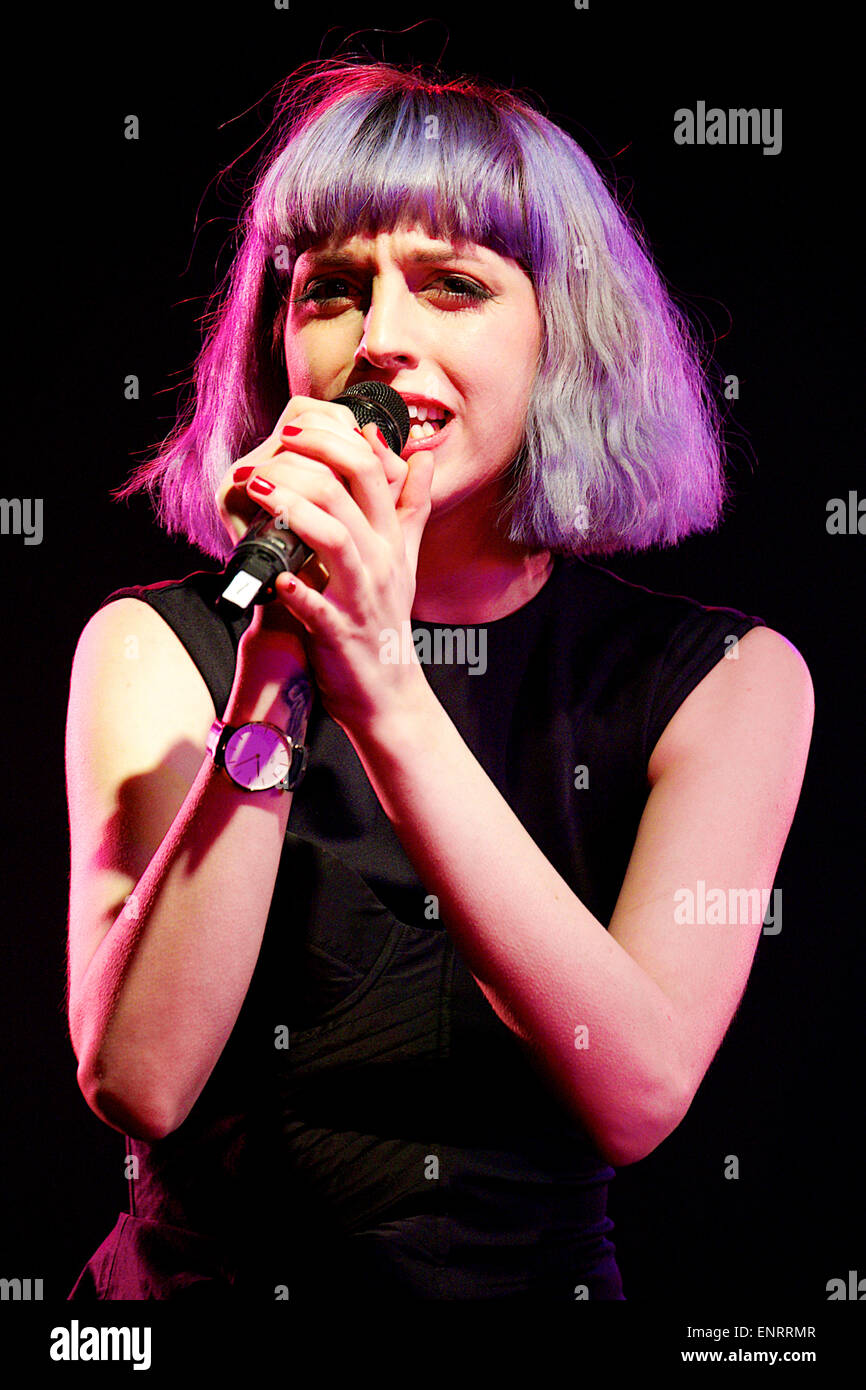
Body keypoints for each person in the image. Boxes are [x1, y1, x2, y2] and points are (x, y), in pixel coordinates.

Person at [64, 58, 813, 1301]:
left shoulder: (725, 685)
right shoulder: (155, 649)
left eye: (453, 286)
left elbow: (634, 1092)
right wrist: (274, 685)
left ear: (562, 341)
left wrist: (384, 685)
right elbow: (137, 1080)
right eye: (332, 292)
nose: (382, 343)